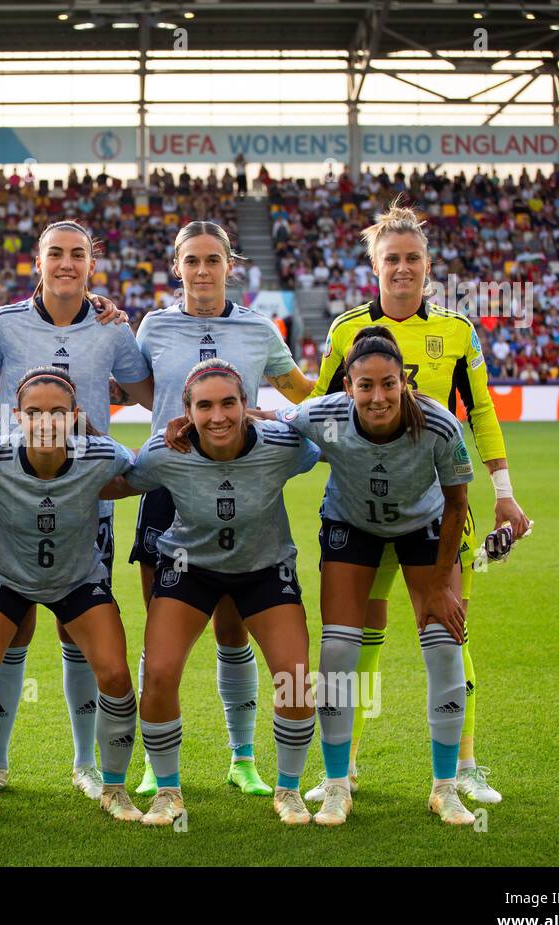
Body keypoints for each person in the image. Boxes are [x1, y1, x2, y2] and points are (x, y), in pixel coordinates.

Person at [304, 197, 531, 805]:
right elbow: (321, 407)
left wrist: (504, 495)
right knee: (359, 630)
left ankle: (464, 765)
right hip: (360, 508)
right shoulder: (346, 330)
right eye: (391, 260)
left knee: (448, 625)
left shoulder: (457, 331)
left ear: (428, 267)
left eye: (412, 259)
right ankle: (345, 761)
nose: (402, 269)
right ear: (374, 267)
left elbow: (480, 409)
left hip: (437, 505)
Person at [0, 219, 154, 800]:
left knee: (77, 631)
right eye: (55, 254)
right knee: (11, 631)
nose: (66, 264)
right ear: (36, 263)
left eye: (77, 255)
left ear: (92, 263)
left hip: (86, 493)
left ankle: (85, 762)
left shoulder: (114, 330)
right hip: (14, 491)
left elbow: (149, 392)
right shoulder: (6, 324)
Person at [131, 220, 314, 799]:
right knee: (161, 639)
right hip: (170, 483)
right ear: (177, 266)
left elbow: (300, 390)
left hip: (242, 483)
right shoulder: (153, 325)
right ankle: (155, 766)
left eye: (214, 260)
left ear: (230, 265)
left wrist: (356, 400)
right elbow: (136, 387)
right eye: (192, 261)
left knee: (234, 631)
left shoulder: (259, 329)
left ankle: (243, 757)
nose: (203, 270)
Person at [272, 327, 476, 825]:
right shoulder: (325, 415)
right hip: (350, 524)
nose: (378, 396)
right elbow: (275, 418)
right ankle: (339, 784)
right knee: (339, 650)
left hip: (423, 526)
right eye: (366, 385)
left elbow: (457, 504)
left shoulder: (438, 426)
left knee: (446, 645)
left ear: (403, 381)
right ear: (348, 383)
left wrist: (438, 583)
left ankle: (445, 788)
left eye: (388, 384)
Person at [109, 359, 320, 826]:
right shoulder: (168, 452)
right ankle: (167, 792)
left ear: (247, 405)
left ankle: (289, 790)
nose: (218, 415)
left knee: (296, 676)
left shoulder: (281, 446)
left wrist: (277, 418)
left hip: (264, 568)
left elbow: (329, 440)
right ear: (186, 412)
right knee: (160, 671)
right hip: (189, 568)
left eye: (229, 402)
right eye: (204, 406)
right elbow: (120, 482)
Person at [0, 367, 141, 825]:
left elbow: (147, 471)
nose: (46, 421)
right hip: (4, 575)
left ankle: (114, 788)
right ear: (16, 416)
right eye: (34, 413)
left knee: (115, 674)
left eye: (58, 412)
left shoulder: (103, 455)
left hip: (76, 578)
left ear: (76, 416)